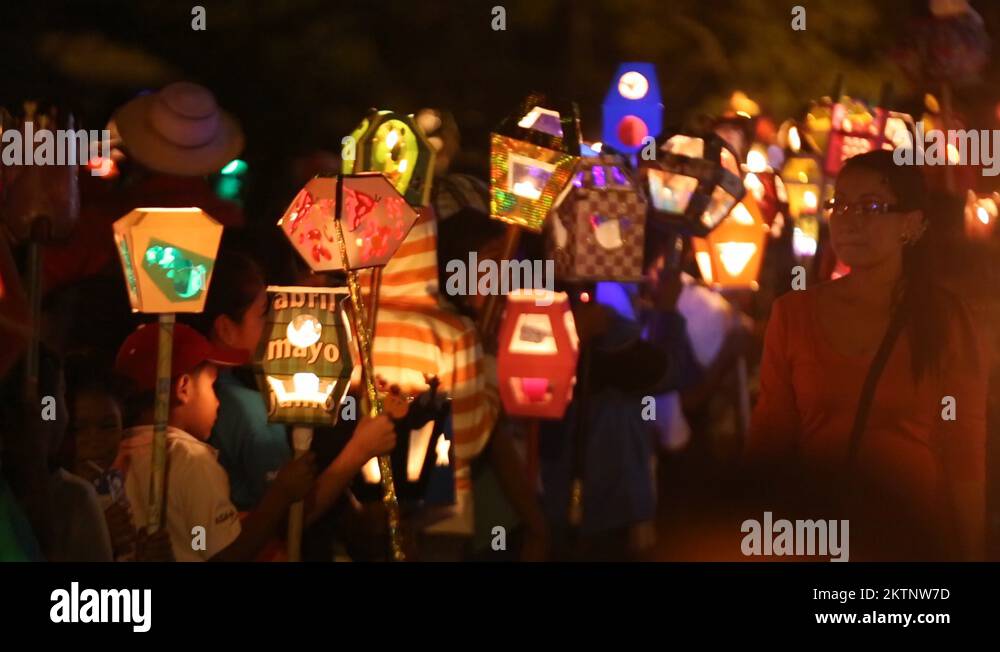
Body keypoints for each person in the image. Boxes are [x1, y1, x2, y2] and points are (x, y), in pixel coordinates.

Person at [746, 149, 987, 560]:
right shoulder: (793, 315)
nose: (849, 219)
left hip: (912, 541)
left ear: (911, 224)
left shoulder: (944, 320)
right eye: (839, 204)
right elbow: (771, 443)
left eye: (871, 206)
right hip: (817, 540)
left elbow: (963, 454)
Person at [183, 248, 397, 542]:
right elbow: (290, 518)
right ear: (225, 329)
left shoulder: (217, 386)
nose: (275, 323)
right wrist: (359, 450)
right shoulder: (246, 410)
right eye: (264, 315)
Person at [112, 323, 316, 561]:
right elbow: (224, 554)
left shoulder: (116, 454)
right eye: (212, 385)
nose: (218, 401)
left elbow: (198, 534)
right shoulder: (192, 459)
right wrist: (281, 493)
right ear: (183, 388)